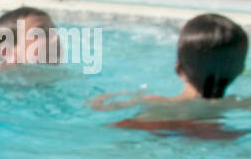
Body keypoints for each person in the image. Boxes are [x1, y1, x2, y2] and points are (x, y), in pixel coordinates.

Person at [89, 13, 249, 111]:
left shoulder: (156, 105)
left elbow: (97, 107)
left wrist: (118, 95)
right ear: (240, 70)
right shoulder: (242, 105)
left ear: (178, 68)